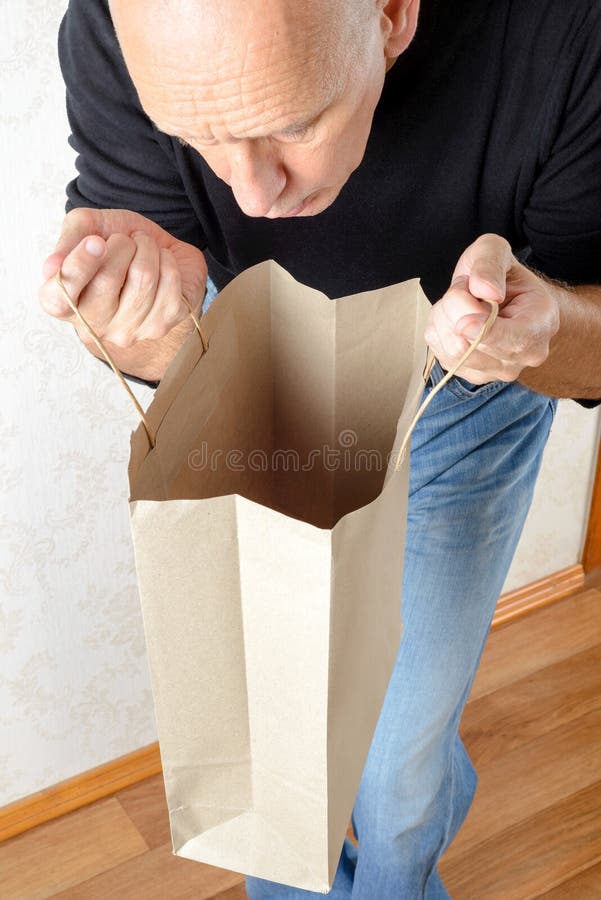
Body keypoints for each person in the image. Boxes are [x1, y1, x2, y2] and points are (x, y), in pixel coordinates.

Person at [39, 0, 601, 896]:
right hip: (253, 360)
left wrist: (547, 325)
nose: (252, 195)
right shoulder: (118, 23)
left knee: (399, 763)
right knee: (267, 737)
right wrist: (137, 319)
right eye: (197, 138)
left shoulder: (564, 34)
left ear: (392, 15)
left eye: (293, 125)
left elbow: (591, 343)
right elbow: (153, 314)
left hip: (463, 381)